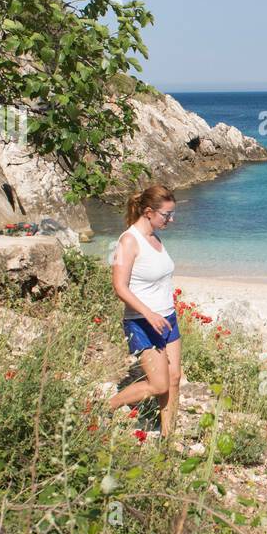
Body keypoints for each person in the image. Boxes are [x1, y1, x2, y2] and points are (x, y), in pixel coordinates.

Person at [106, 185, 182, 438]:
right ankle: (106, 407)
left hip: (167, 318)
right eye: (166, 215)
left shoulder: (155, 237)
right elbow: (119, 286)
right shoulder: (129, 240)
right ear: (149, 212)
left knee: (174, 377)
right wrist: (149, 313)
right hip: (142, 321)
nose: (171, 219)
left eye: (172, 214)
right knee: (159, 384)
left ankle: (168, 438)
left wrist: (163, 311)